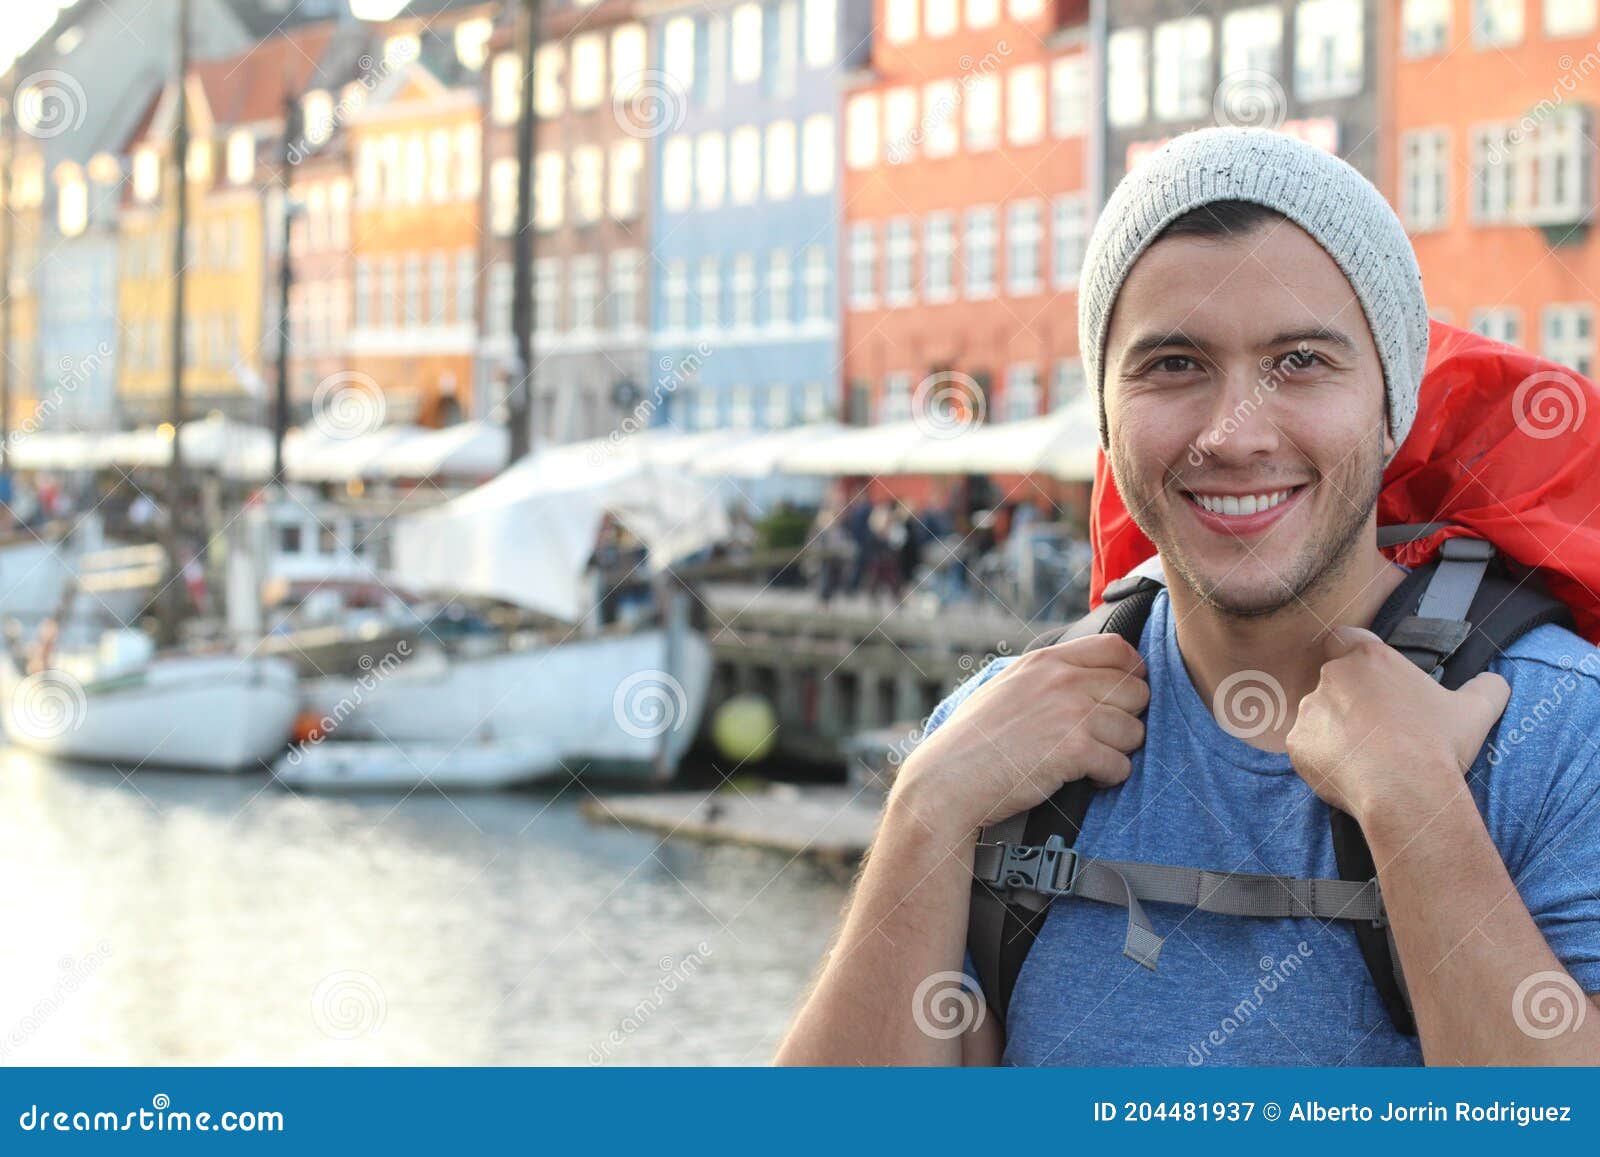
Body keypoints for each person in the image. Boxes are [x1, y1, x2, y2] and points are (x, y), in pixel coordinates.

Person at [776, 127, 1600, 1067]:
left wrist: (1417, 807)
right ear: (1105, 417)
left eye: (1300, 361)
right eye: (1174, 364)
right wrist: (922, 809)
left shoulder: (1559, 732)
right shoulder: (999, 744)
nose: (1234, 434)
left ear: (1390, 405)